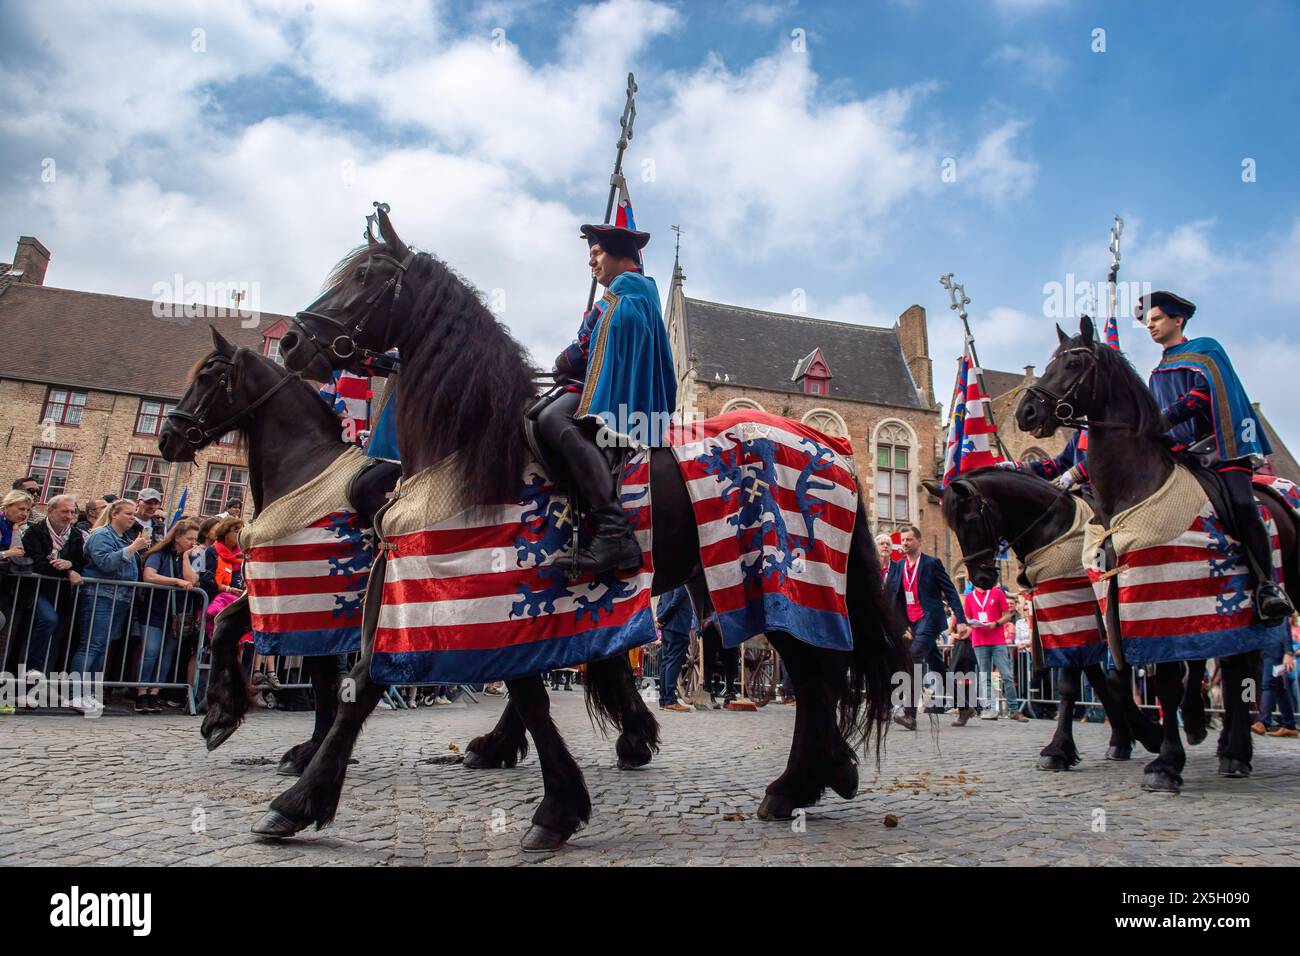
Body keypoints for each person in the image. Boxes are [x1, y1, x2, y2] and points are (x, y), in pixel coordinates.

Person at [539, 208, 676, 575]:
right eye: (590, 256)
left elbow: (583, 351)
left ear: (620, 255)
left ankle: (614, 531)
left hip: (615, 399)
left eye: (596, 254)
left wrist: (562, 359)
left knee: (552, 418)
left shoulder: (622, 297)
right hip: (617, 391)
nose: (592, 263)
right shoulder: (634, 295)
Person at [1142, 290, 1292, 621]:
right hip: (1183, 459)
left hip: (1220, 451)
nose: (1149, 326)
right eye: (1147, 321)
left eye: (1156, 319)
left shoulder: (1205, 350)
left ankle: (1267, 585)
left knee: (1241, 504)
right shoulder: (1157, 371)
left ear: (1177, 320)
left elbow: (1199, 396)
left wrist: (1163, 418)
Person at [69, 500, 151, 713]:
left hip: (120, 598)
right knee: (91, 646)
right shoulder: (101, 535)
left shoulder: (123, 538)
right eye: (128, 513)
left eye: (133, 514)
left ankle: (88, 693)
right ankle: (74, 693)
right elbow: (105, 563)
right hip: (100, 596)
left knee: (102, 647)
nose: (133, 517)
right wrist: (133, 548)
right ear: (114, 514)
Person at [885, 525, 970, 729]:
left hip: (929, 619)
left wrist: (961, 619)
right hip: (911, 623)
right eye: (903, 540)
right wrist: (899, 625)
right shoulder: (897, 566)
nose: (905, 543)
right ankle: (965, 706)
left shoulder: (932, 563)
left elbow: (950, 592)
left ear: (919, 541)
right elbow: (891, 598)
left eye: (909, 539)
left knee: (912, 657)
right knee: (938, 667)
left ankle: (909, 714)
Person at [136, 518, 202, 713]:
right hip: (155, 610)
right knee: (150, 651)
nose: (193, 543)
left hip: (178, 615)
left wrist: (186, 558)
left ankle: (154, 693)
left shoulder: (193, 556)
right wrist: (175, 581)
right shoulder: (160, 554)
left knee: (167, 655)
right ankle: (141, 692)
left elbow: (194, 580)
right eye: (190, 538)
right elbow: (149, 576)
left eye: (195, 539)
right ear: (178, 538)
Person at [20, 494, 85, 679]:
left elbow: (80, 562)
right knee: (48, 620)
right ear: (50, 511)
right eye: (65, 511)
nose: (69, 516)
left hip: (62, 593)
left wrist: (70, 565)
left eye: (72, 512)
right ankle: (32, 671)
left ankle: (45, 678)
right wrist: (66, 571)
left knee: (58, 632)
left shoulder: (75, 534)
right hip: (35, 589)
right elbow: (36, 561)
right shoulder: (35, 532)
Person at [963, 578, 1026, 722]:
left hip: (997, 640)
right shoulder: (969, 597)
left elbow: (1007, 615)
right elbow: (967, 617)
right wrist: (971, 624)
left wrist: (996, 623)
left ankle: (1014, 710)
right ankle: (990, 709)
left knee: (1007, 675)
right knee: (985, 677)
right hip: (979, 640)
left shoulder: (997, 593)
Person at [655, 586, 695, 712]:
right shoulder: (681, 579)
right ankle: (670, 701)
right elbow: (676, 600)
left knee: (667, 662)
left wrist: (660, 619)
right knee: (673, 662)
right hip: (678, 625)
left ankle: (664, 700)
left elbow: (661, 602)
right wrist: (662, 619)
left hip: (668, 626)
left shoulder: (668, 580)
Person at [1252, 625, 1297, 737]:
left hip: (1274, 650)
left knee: (1268, 685)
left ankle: (1263, 722)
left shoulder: (1278, 609)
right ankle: (1289, 725)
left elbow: (1284, 629)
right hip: (1267, 650)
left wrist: (1288, 652)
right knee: (1278, 689)